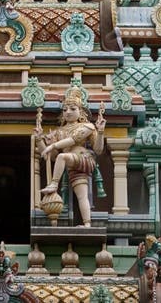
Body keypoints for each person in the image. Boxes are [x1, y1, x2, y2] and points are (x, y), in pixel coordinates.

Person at [34, 86, 105, 227]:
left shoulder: (87, 126)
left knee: (63, 157)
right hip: (72, 166)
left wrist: (101, 132)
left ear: (81, 112)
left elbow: (97, 149)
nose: (68, 112)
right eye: (65, 109)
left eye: (73, 109)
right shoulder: (59, 132)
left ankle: (54, 184)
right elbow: (51, 156)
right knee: (82, 195)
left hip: (84, 159)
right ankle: (87, 224)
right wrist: (39, 140)